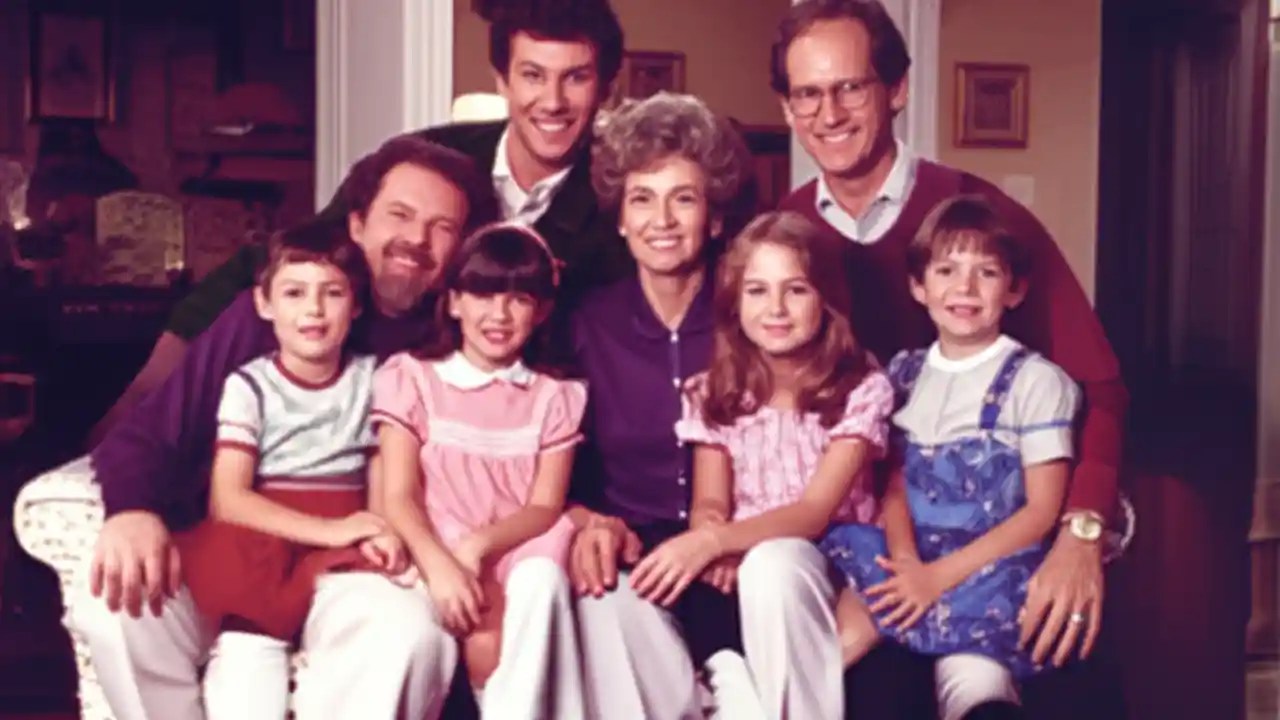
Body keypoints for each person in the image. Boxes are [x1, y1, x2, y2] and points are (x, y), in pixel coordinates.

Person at [770, 1, 1128, 716]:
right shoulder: (784, 235)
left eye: (851, 87)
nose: (829, 113)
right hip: (868, 524)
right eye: (808, 93)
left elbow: (1100, 386)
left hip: (998, 516)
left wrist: (1081, 534)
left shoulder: (980, 217)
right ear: (785, 107)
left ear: (896, 90)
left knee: (1045, 659)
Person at [73, 134, 494, 720]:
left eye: (442, 227)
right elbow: (153, 432)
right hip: (237, 549)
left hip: (356, 555)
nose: (417, 240)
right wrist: (132, 510)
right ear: (356, 224)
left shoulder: (457, 342)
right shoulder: (277, 315)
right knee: (112, 609)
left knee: (410, 634)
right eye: (399, 214)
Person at [88, 0, 631, 446]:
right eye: (532, 75)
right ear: (503, 80)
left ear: (605, 86)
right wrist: (150, 383)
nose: (553, 101)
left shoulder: (624, 203)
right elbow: (295, 257)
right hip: (365, 407)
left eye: (576, 78)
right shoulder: (427, 156)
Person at [822, 196, 1082, 719]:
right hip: (912, 553)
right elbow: (892, 482)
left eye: (985, 272)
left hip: (988, 565)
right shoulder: (903, 374)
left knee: (975, 681)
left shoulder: (1035, 382)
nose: (964, 289)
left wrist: (940, 577)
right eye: (947, 271)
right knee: (833, 651)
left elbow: (1040, 512)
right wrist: (908, 562)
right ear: (920, 287)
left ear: (1014, 290)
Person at [630, 210, 895, 719]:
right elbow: (710, 499)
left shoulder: (860, 388)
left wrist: (718, 540)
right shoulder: (714, 391)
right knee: (718, 582)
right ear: (734, 303)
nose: (776, 308)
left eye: (795, 290)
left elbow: (815, 511)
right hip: (750, 562)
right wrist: (716, 532)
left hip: (838, 560)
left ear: (826, 300)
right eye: (757, 291)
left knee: (772, 565)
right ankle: (736, 689)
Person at [568, 92, 764, 719]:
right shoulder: (586, 324)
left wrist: (728, 538)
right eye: (642, 199)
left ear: (713, 218)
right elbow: (551, 462)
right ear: (620, 218)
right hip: (634, 551)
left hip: (742, 551)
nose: (662, 219)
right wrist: (587, 522)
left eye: (683, 197)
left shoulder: (757, 314)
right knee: (610, 614)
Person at [175, 223, 406, 718]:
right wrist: (330, 530)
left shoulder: (377, 377)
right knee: (248, 654)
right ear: (264, 304)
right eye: (295, 293)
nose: (314, 311)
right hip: (263, 533)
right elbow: (229, 499)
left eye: (333, 293)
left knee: (375, 627)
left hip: (347, 531)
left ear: (357, 305)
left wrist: (379, 526)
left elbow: (382, 466)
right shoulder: (250, 385)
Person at [373, 223, 586, 718]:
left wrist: (480, 546)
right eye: (483, 294)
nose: (499, 314)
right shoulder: (413, 379)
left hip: (514, 544)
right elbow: (399, 495)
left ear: (542, 311)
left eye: (518, 299)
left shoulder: (554, 396)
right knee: (439, 639)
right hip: (434, 543)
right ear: (453, 302)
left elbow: (543, 505)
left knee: (542, 585)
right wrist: (445, 562)